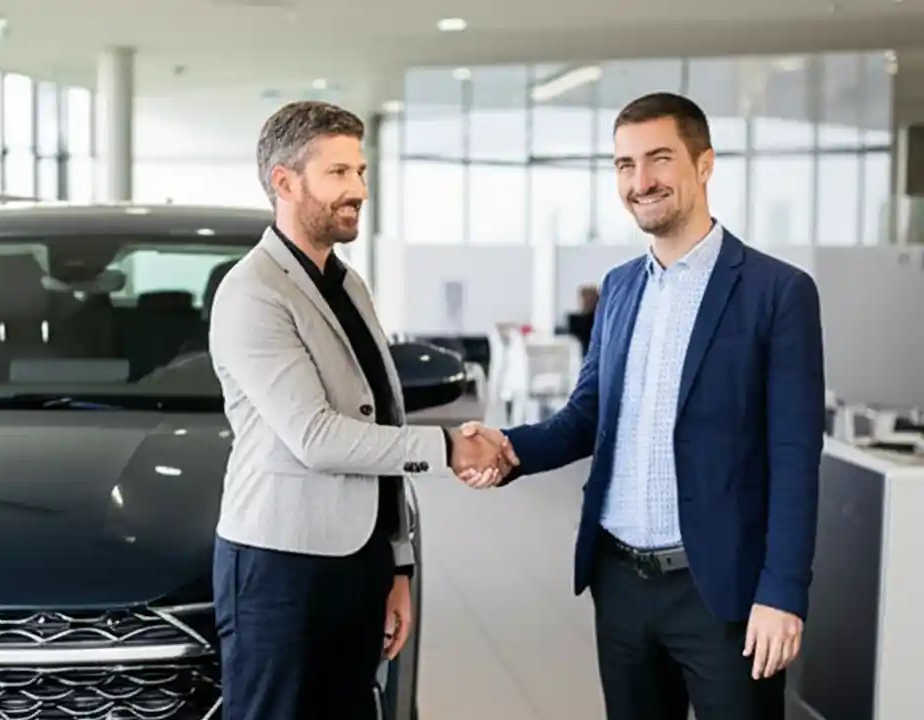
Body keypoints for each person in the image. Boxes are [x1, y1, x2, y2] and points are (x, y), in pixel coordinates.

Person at [462, 92, 824, 720]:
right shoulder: (621, 287)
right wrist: (509, 447)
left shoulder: (778, 293)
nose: (640, 181)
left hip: (722, 591)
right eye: (624, 165)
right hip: (621, 581)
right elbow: (586, 416)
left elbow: (795, 457)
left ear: (704, 164)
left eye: (658, 159)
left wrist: (783, 592)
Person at [208, 100, 516, 720]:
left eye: (361, 172)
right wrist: (451, 447)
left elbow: (383, 417)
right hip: (282, 570)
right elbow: (317, 437)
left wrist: (396, 565)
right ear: (285, 182)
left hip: (359, 563)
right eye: (339, 173)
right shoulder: (253, 293)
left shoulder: (348, 284)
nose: (358, 191)